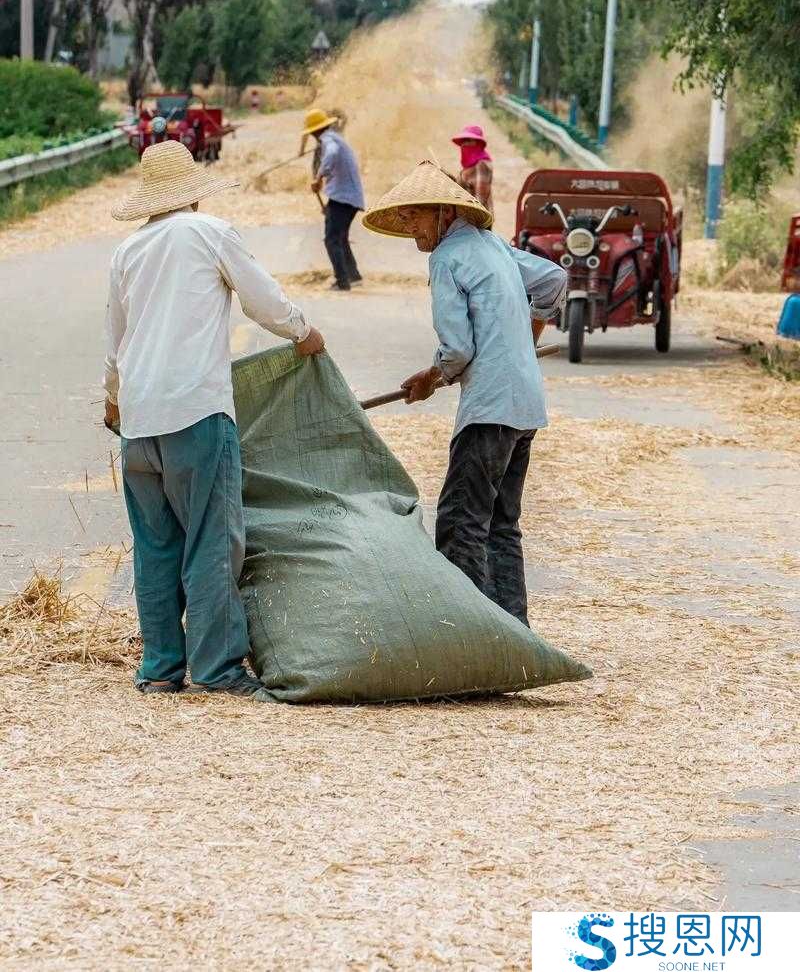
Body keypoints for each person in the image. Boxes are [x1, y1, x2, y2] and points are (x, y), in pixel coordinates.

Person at [103, 141, 325, 702]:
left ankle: (159, 669)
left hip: (138, 422)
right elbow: (262, 300)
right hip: (195, 412)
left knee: (155, 547)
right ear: (194, 195)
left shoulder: (127, 251)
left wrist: (113, 400)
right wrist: (303, 332)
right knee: (210, 539)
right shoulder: (208, 233)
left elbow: (117, 342)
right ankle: (218, 668)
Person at [362, 161, 566, 626]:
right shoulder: (493, 245)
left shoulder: (447, 258)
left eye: (414, 217)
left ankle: (468, 636)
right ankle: (512, 634)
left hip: (490, 408)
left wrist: (432, 377)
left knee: (460, 526)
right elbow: (554, 280)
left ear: (441, 213)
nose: (409, 229)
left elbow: (457, 349)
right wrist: (523, 342)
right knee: (500, 527)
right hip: (524, 405)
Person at [301, 107, 365, 292]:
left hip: (343, 197)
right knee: (340, 238)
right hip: (347, 197)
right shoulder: (335, 137)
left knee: (332, 239)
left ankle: (342, 281)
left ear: (314, 131)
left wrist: (319, 177)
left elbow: (332, 153)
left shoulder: (329, 140)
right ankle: (353, 277)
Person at [452, 123, 494, 216]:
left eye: (468, 140)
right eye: (463, 140)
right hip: (467, 218)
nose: (464, 144)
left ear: (478, 143)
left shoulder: (482, 165)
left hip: (476, 221)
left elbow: (480, 200)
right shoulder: (470, 166)